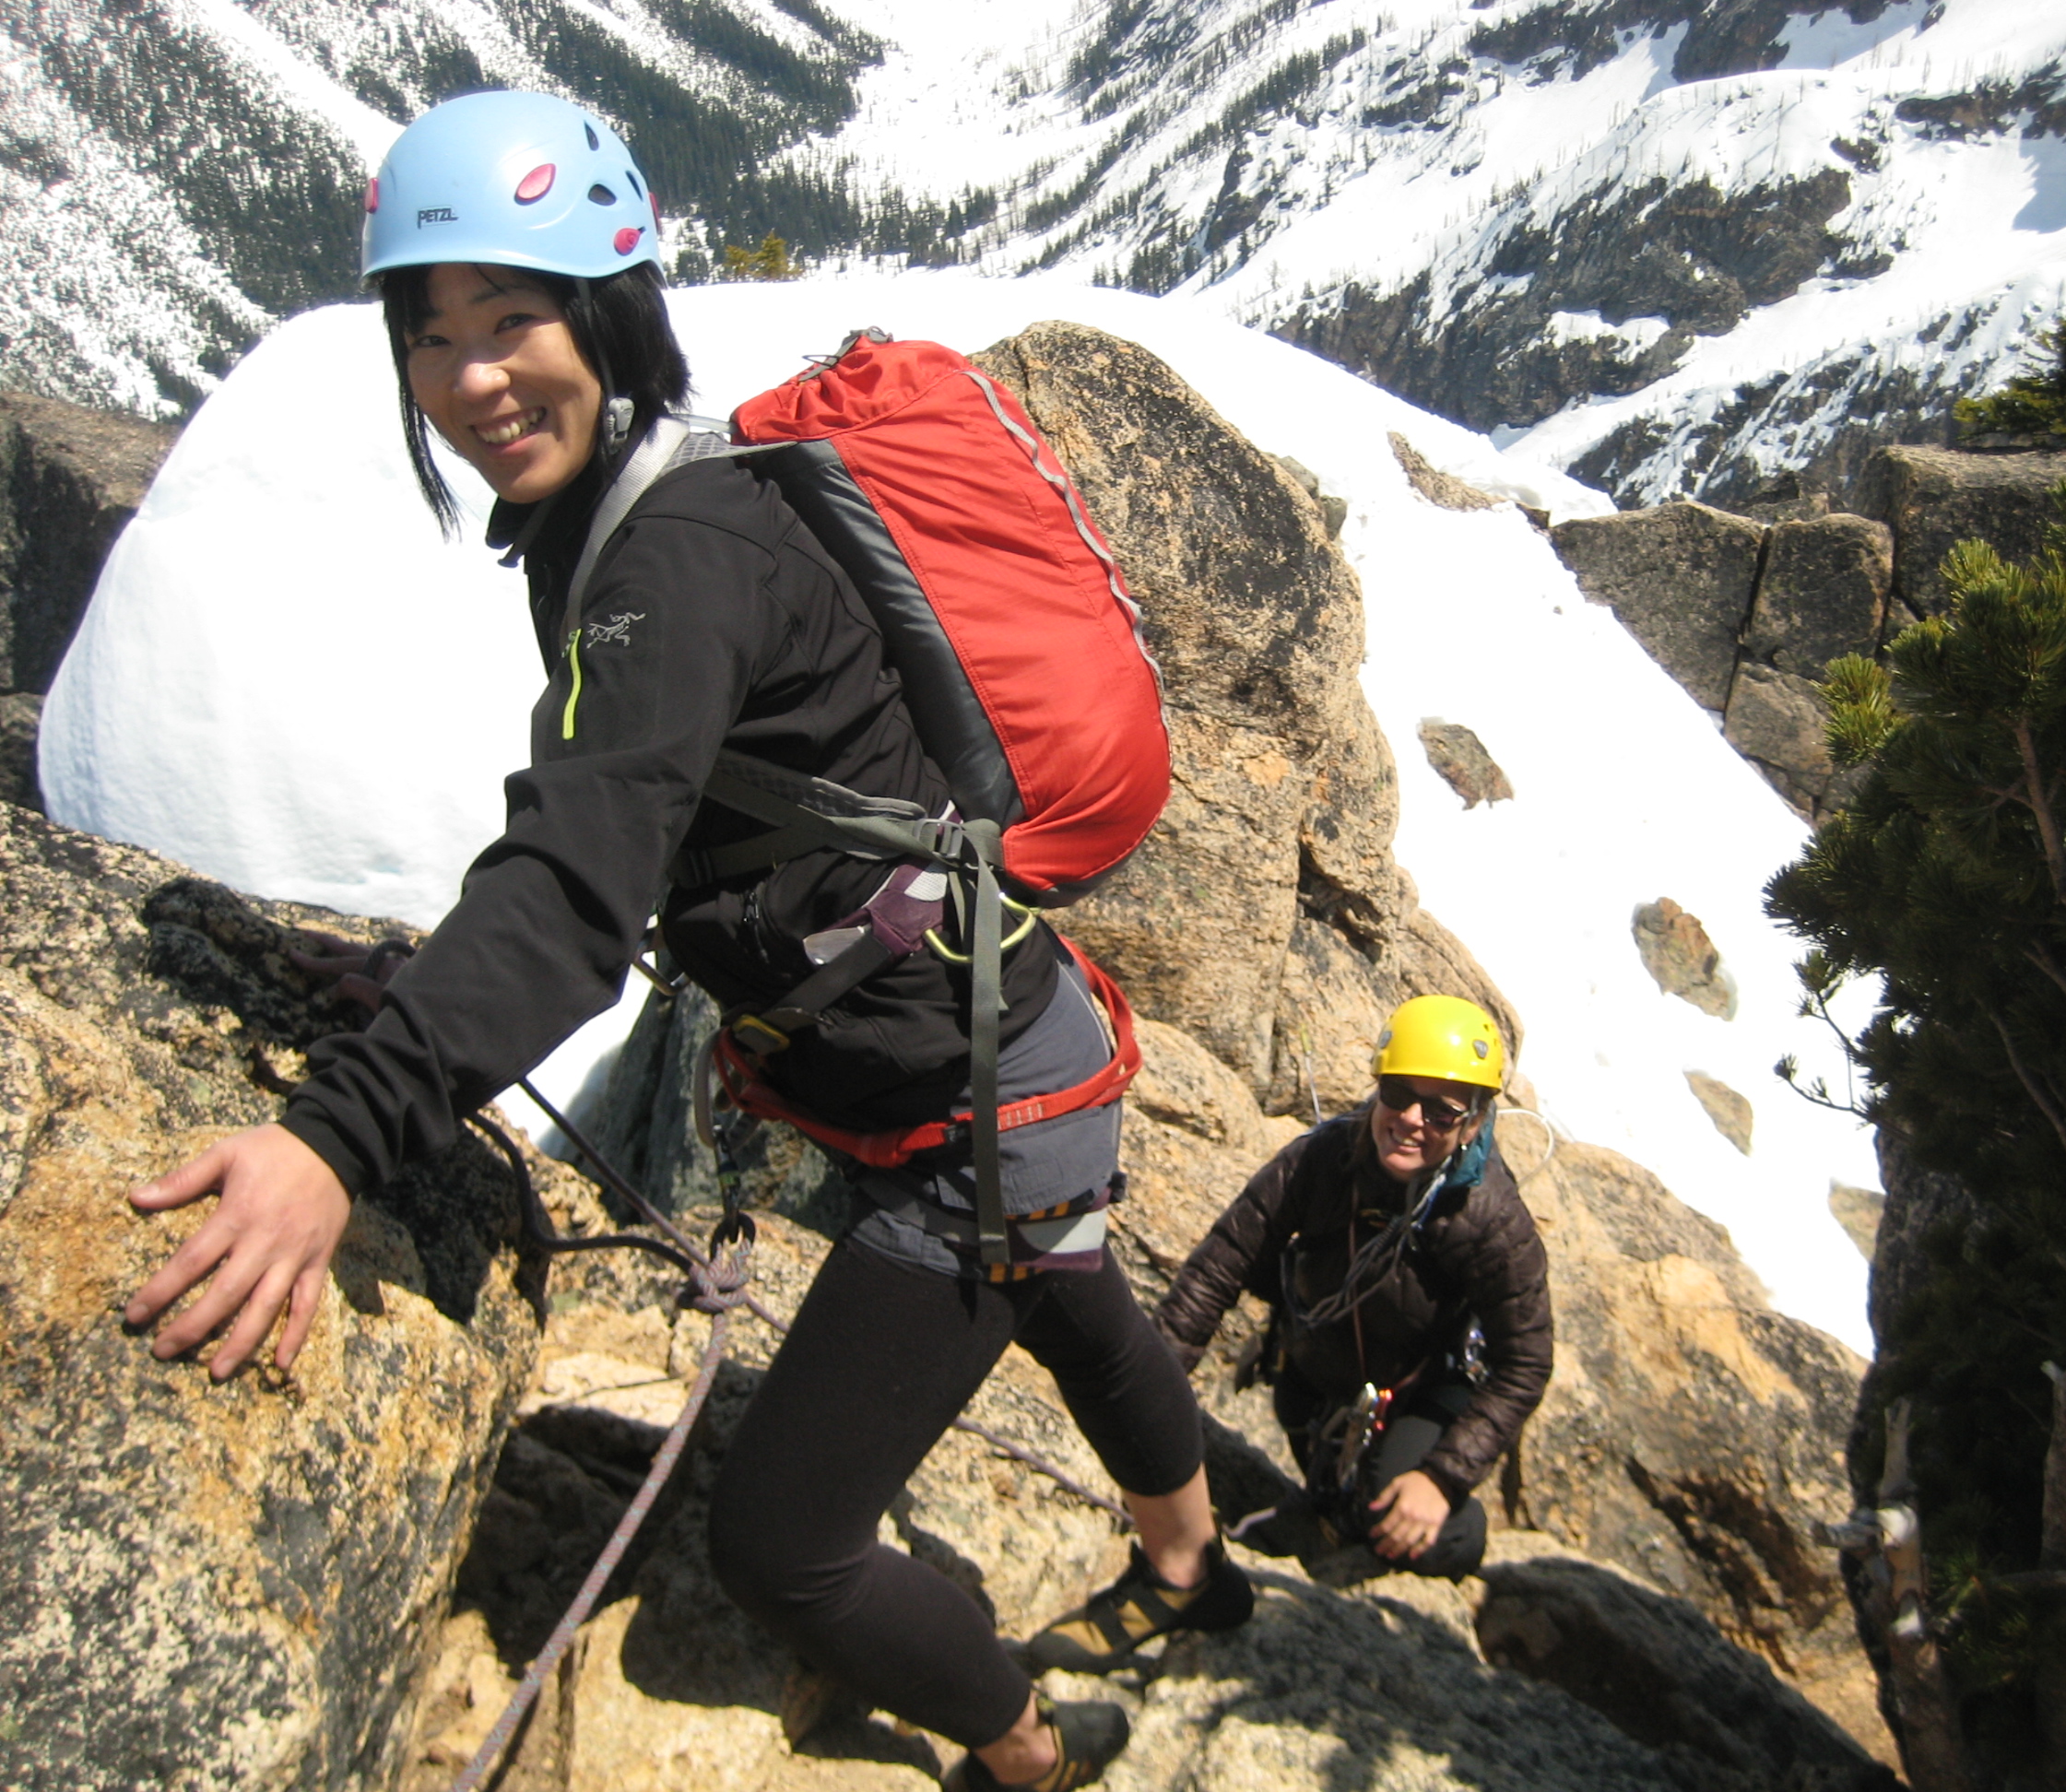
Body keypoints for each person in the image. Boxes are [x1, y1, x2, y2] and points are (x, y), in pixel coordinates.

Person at [115, 90, 1246, 1792]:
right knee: (1069, 1281)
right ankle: (1192, 1562)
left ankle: (1028, 1740)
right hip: (1005, 1054)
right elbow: (639, 826)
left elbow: (575, 897)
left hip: (975, 1124)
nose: (474, 375)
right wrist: (427, 988)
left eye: (516, 319)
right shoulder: (645, 509)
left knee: (783, 1542)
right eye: (434, 338)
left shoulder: (671, 558)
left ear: (614, 310)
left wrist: (334, 1140)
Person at [1152, 996, 1552, 1581]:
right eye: (1398, 1095)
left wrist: (1441, 1479)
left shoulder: (1490, 1218)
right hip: (1312, 1367)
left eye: (1441, 1112)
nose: (1412, 1119)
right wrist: (1150, 1386)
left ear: (1471, 1124)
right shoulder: (1322, 1159)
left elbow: (1526, 1360)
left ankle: (1379, 1515)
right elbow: (1224, 1264)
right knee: (1321, 1473)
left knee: (1418, 1529)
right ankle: (1326, 1507)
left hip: (1415, 1388)